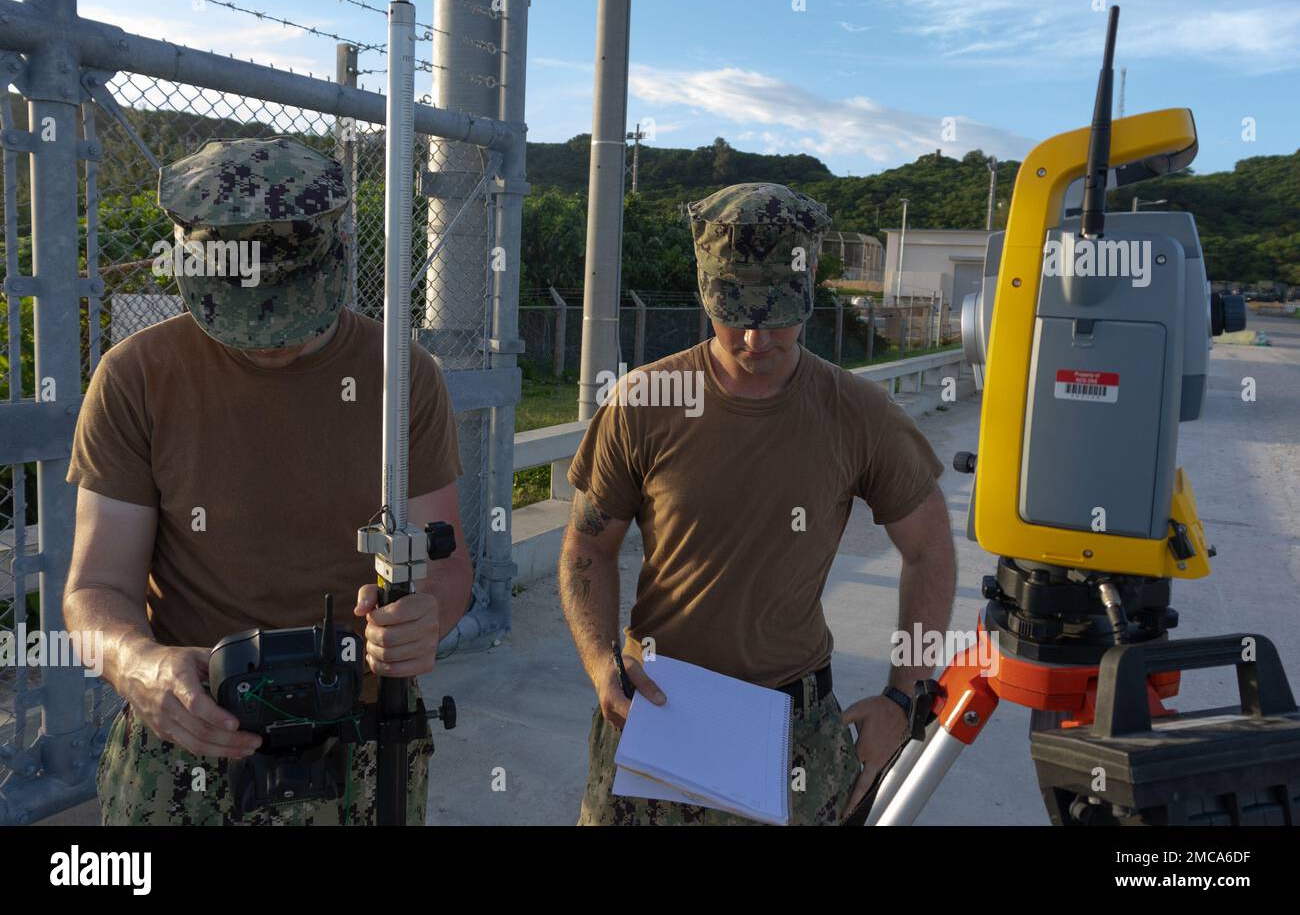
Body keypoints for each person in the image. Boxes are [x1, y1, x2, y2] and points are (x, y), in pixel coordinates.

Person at [63, 137, 472, 825]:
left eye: (290, 307)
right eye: (243, 315)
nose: (271, 338)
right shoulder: (137, 377)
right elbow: (95, 589)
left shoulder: (403, 377)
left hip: (359, 738)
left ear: (337, 249)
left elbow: (448, 564)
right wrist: (138, 665)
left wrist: (424, 623)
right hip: (189, 737)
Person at [559, 181, 956, 825]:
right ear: (703, 291)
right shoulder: (645, 402)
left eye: (777, 317)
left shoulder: (858, 414)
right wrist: (602, 664)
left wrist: (903, 700)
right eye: (733, 312)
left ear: (808, 294)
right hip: (658, 713)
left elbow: (929, 549)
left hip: (791, 729)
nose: (754, 339)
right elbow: (587, 545)